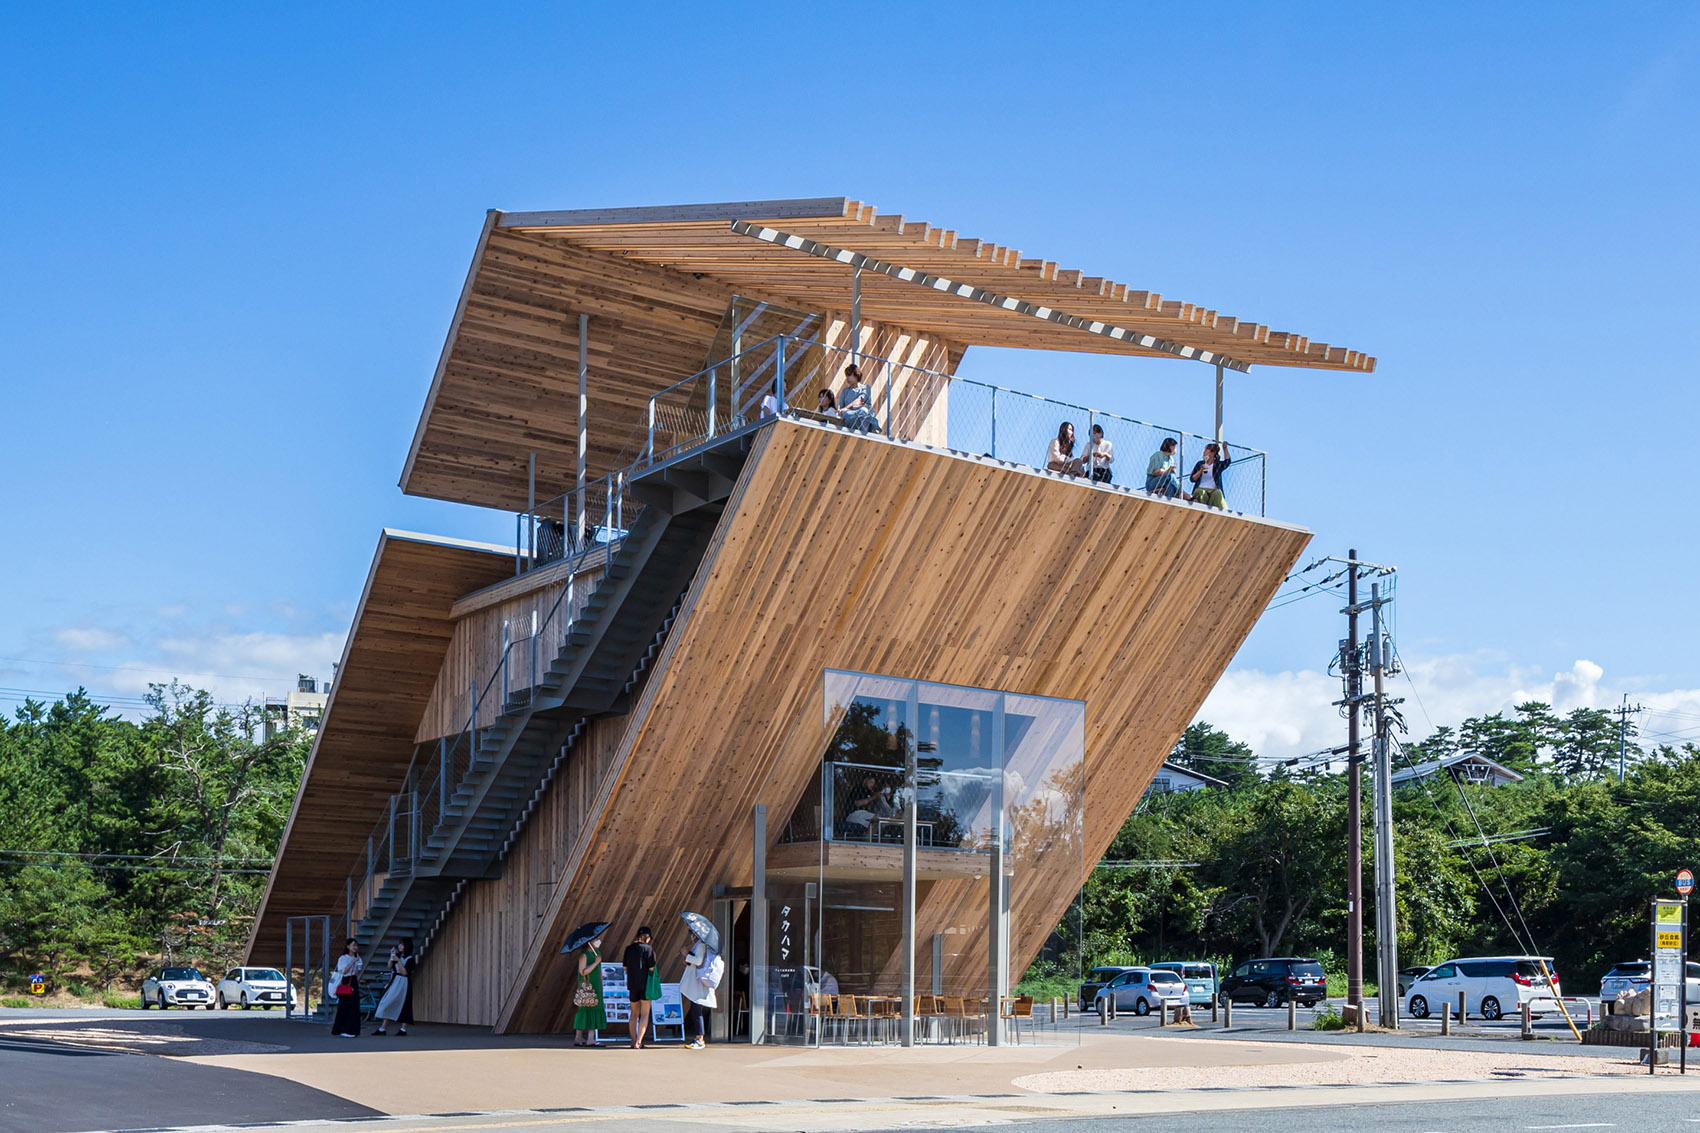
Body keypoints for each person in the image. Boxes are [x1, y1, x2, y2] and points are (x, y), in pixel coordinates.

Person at [678, 937, 722, 1049]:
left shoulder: (702, 945)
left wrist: (686, 953)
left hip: (698, 982)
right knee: (696, 1010)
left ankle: (700, 1039)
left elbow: (698, 961)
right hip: (698, 982)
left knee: (696, 1011)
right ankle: (699, 1038)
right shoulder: (701, 944)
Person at [622, 926, 660, 1049]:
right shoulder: (648, 949)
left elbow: (625, 967)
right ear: (647, 937)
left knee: (634, 1014)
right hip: (646, 985)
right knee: (644, 1014)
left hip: (632, 984)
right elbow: (651, 968)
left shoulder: (628, 949)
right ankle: (639, 1042)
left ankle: (633, 1041)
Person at [372, 938, 416, 1036]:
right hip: (395, 981)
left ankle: (403, 1029)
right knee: (388, 1001)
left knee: (405, 1004)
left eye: (402, 945)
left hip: (404, 983)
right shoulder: (398, 956)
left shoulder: (410, 959)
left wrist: (399, 961)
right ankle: (383, 1028)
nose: (399, 946)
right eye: (399, 944)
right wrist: (391, 956)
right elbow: (389, 966)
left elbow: (405, 973)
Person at [573, 935, 607, 1047]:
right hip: (587, 986)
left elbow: (599, 971)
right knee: (584, 1009)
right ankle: (579, 1036)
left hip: (596, 986)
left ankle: (590, 1038)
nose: (598, 941)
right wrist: (596, 963)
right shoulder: (584, 955)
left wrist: (601, 985)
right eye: (595, 939)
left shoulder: (598, 953)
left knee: (594, 1009)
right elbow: (583, 972)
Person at [844, 773, 895, 840]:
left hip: (863, 814)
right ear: (865, 780)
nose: (872, 784)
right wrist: (874, 797)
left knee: (880, 821)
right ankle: (866, 840)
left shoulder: (868, 792)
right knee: (877, 820)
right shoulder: (859, 789)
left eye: (873, 783)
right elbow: (858, 803)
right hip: (853, 814)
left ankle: (867, 839)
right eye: (871, 782)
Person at [330, 937, 363, 1037]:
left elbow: (357, 972)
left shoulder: (358, 957)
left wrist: (357, 965)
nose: (355, 947)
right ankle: (342, 1029)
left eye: (356, 945)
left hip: (353, 981)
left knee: (354, 1006)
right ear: (348, 946)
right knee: (344, 1006)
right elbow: (343, 971)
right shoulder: (343, 958)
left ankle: (351, 1030)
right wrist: (353, 962)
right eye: (353, 945)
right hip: (345, 981)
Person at [1189, 442, 1232, 509]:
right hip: (1201, 488)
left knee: (1218, 493)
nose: (1204, 452)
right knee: (1200, 492)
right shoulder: (1200, 464)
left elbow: (1227, 462)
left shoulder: (1217, 465)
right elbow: (1192, 479)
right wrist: (1200, 471)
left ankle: (1224, 512)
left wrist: (1225, 448)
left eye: (1206, 450)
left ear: (1212, 453)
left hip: (1213, 490)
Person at [838, 365, 878, 434]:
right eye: (846, 376)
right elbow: (841, 407)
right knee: (846, 414)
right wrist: (843, 410)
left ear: (856, 375)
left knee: (863, 411)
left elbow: (860, 401)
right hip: (849, 415)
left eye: (849, 375)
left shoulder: (865, 388)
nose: (847, 378)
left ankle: (864, 434)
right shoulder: (845, 391)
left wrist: (846, 408)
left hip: (862, 415)